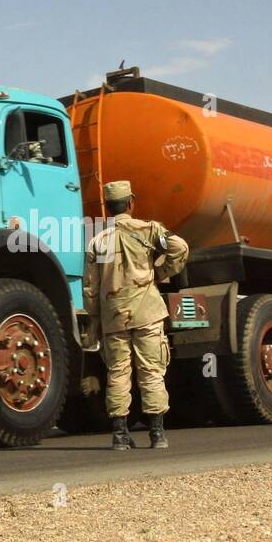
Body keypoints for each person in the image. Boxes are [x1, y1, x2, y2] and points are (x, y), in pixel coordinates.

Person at [82, 181, 189, 449]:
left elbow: (91, 289)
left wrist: (94, 321)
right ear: (131, 202)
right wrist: (159, 273)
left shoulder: (97, 242)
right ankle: (157, 434)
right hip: (147, 313)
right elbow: (180, 249)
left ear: (108, 207)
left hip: (114, 317)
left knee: (117, 373)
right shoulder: (149, 230)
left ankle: (119, 435)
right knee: (151, 370)